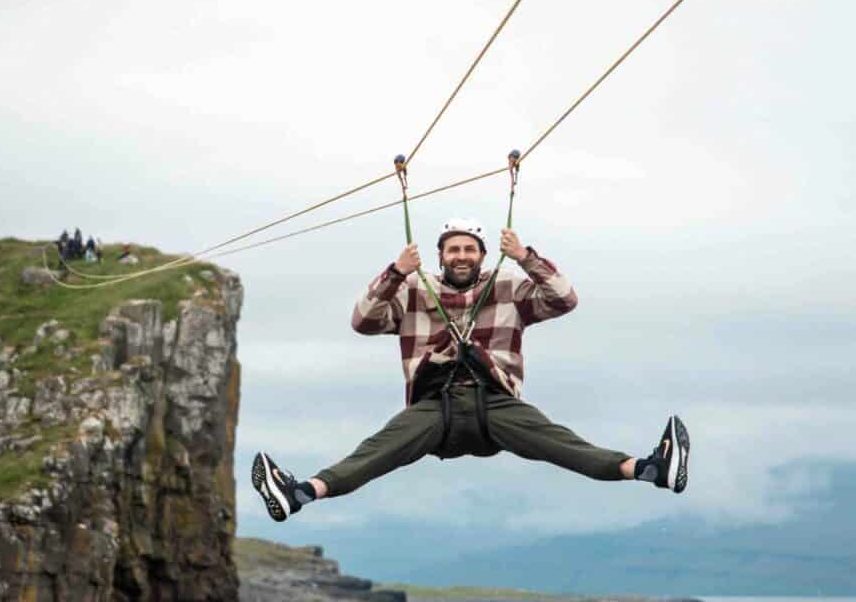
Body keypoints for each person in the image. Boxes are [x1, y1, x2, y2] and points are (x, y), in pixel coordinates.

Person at [250, 220, 688, 520]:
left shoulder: (509, 288)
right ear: (440, 256)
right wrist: (394, 272)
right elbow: (362, 321)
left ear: (481, 254)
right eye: (453, 249)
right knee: (374, 453)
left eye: (469, 249)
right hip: (434, 404)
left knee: (563, 445)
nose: (461, 255)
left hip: (493, 400)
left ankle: (651, 469)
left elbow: (564, 299)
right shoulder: (413, 290)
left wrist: (524, 256)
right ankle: (299, 493)